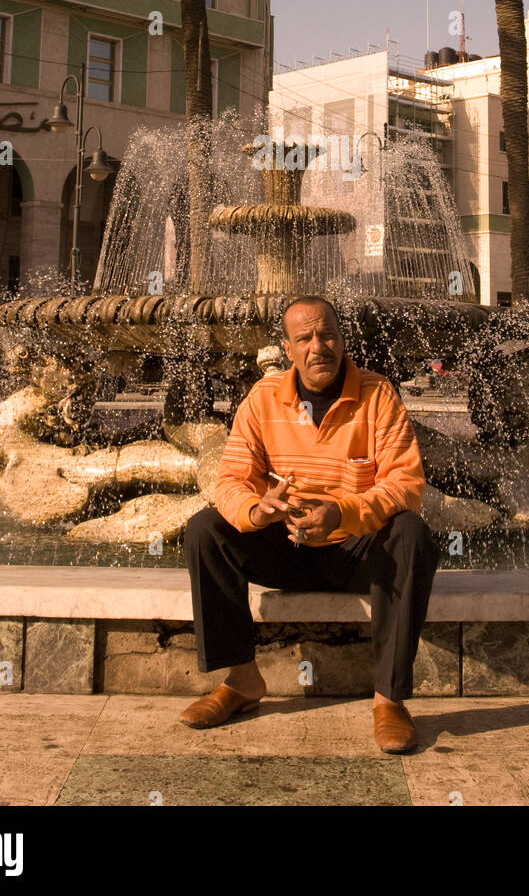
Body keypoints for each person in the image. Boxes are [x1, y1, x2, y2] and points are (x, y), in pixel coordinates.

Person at [179, 295, 440, 754]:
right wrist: (257, 512)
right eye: (305, 338)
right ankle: (241, 680)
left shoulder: (378, 394)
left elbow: (406, 484)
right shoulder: (263, 399)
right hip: (287, 547)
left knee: (412, 534)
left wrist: (343, 512)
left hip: (356, 547)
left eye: (327, 335)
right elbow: (229, 480)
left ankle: (389, 699)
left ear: (341, 339)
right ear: (288, 348)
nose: (319, 346)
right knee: (206, 528)